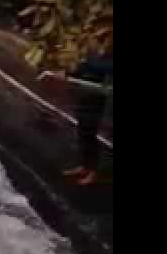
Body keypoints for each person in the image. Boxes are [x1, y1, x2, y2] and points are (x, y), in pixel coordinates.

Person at [39, 38, 113, 186]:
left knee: (89, 135)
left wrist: (85, 63)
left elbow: (102, 68)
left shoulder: (104, 60)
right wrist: (66, 73)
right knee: (82, 133)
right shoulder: (91, 56)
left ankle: (93, 171)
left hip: (95, 100)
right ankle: (84, 166)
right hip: (84, 97)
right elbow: (79, 69)